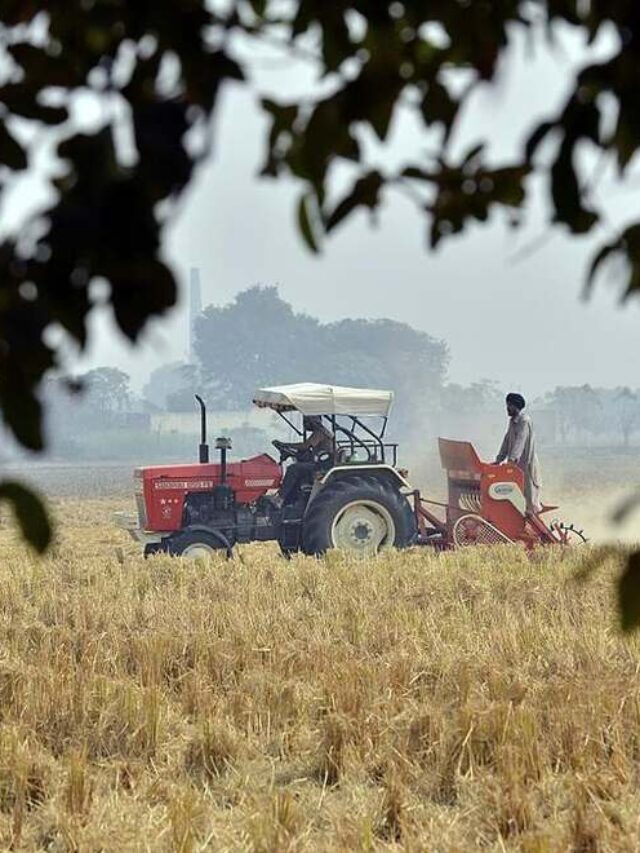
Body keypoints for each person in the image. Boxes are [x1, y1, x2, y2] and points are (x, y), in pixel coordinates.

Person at [495, 393, 541, 513]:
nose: (507, 408)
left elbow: (520, 441)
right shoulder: (512, 421)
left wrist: (512, 460)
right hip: (516, 466)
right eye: (507, 405)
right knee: (517, 496)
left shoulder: (524, 421)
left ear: (516, 406)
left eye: (509, 405)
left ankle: (534, 525)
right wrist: (499, 459)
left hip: (526, 464)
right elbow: (507, 440)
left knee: (530, 499)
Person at [274, 416, 335, 505]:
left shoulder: (320, 432)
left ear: (312, 421)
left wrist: (286, 445)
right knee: (299, 465)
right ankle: (290, 501)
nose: (305, 424)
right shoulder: (320, 432)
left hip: (322, 466)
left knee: (293, 468)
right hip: (319, 462)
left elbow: (305, 446)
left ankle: (280, 498)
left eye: (306, 421)